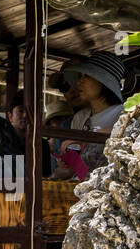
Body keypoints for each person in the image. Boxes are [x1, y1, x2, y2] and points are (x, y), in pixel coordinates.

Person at [51, 50, 126, 180]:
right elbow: (81, 170)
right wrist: (68, 165)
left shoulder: (123, 114)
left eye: (86, 76)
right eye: (80, 76)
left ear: (103, 82)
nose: (79, 82)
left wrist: (86, 139)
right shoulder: (80, 118)